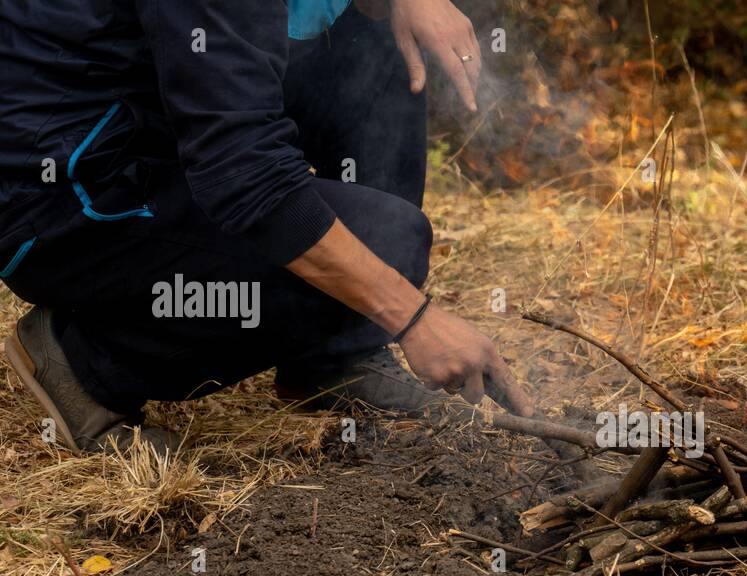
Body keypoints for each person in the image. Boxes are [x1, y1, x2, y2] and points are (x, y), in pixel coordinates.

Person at [0, 0, 532, 453]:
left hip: (152, 110)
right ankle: (91, 363)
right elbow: (245, 175)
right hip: (64, 191)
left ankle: (336, 354)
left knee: (385, 31)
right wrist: (410, 317)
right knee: (390, 246)